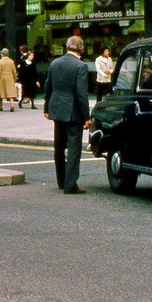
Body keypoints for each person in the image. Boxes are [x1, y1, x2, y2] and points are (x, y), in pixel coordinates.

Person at [44, 36, 92, 194]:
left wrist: (46, 108)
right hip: (73, 112)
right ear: (81, 49)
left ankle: (61, 181)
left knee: (59, 147)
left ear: (66, 47)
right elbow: (81, 94)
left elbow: (48, 87)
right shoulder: (81, 66)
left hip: (57, 109)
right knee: (73, 148)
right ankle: (70, 184)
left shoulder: (54, 63)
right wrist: (87, 116)